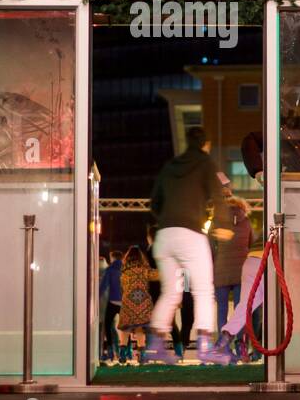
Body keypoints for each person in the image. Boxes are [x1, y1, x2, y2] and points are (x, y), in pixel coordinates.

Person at [141, 125, 234, 365]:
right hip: (190, 234)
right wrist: (223, 224)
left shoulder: (169, 166)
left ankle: (155, 345)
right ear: (206, 144)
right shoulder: (204, 163)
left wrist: (167, 219)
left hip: (164, 236)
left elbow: (154, 203)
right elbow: (218, 194)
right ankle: (204, 345)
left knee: (170, 292)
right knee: (203, 290)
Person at [212, 193, 253, 331]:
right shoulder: (246, 221)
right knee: (240, 309)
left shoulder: (217, 221)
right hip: (241, 272)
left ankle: (223, 346)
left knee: (222, 309)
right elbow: (252, 245)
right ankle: (240, 343)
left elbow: (210, 247)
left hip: (220, 271)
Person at [98, 250, 124, 364]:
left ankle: (110, 352)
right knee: (125, 327)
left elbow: (103, 286)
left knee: (108, 325)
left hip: (113, 301)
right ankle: (124, 352)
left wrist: (96, 298)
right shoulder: (125, 269)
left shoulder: (110, 269)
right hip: (125, 302)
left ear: (112, 258)